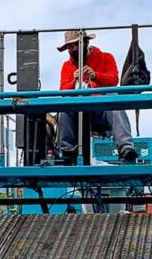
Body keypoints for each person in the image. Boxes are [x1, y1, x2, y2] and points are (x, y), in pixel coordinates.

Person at [56, 30, 137, 163]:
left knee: (113, 97)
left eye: (74, 45)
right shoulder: (67, 66)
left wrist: (95, 76)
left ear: (85, 43)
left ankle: (126, 147)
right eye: (68, 47)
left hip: (100, 111)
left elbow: (113, 80)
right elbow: (63, 90)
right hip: (77, 112)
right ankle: (66, 151)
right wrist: (74, 82)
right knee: (64, 103)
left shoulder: (106, 57)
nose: (71, 50)